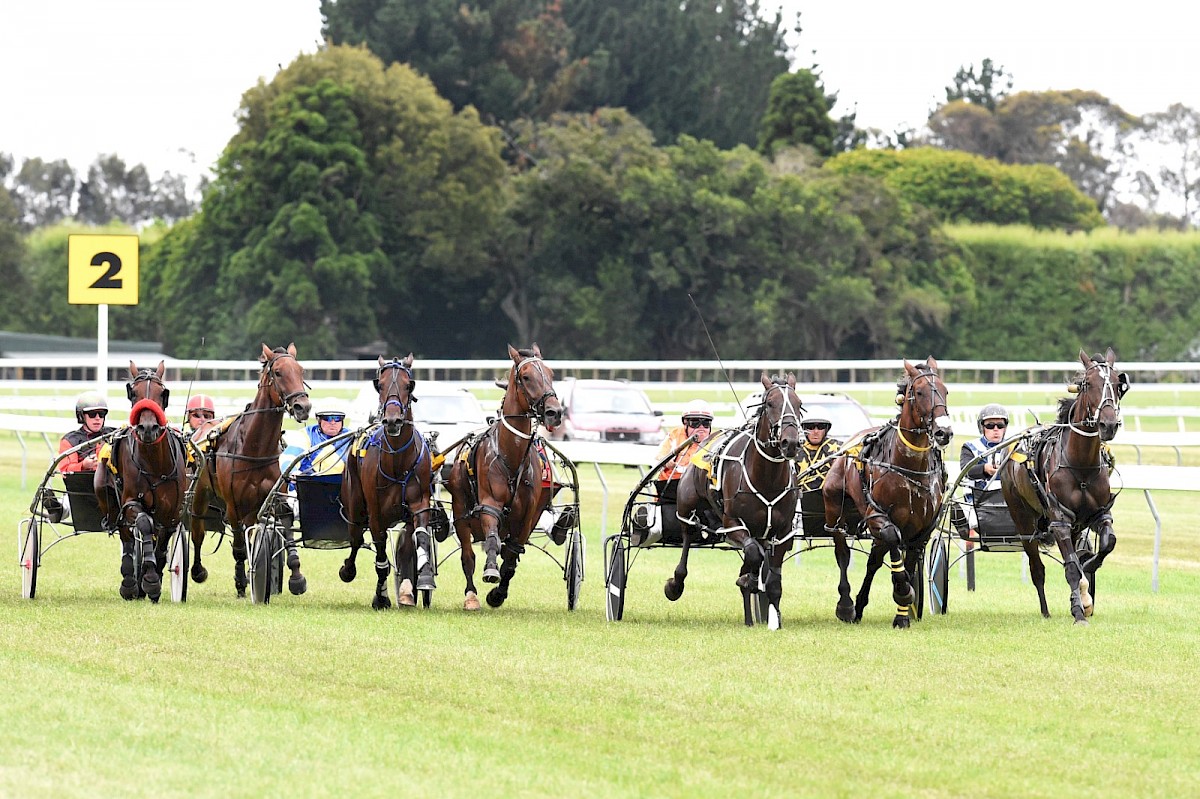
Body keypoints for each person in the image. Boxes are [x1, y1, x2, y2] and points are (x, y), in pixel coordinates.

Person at [959, 403, 1010, 548]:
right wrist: (985, 469)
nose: (996, 429)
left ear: (1005, 428)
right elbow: (966, 471)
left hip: (1010, 501)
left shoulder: (1014, 446)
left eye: (1000, 425)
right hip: (979, 502)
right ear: (982, 428)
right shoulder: (970, 447)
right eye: (990, 426)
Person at [656, 399, 715, 481]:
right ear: (685, 423)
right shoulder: (675, 435)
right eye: (695, 423)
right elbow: (659, 456)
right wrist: (666, 462)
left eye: (706, 423)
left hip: (700, 484)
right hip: (672, 483)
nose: (701, 427)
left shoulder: (715, 441)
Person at [58, 393, 116, 473]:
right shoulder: (70, 441)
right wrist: (83, 465)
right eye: (92, 414)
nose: (97, 418)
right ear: (82, 416)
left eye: (101, 414)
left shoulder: (114, 434)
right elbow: (66, 471)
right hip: (85, 480)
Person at [297, 400, 352, 475]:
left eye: (337, 418)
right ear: (319, 420)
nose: (333, 422)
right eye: (327, 418)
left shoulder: (352, 436)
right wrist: (294, 472)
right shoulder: (307, 433)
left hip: (343, 481)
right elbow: (289, 456)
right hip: (310, 480)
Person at [796, 416, 839, 491]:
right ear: (804, 430)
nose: (816, 431)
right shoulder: (795, 451)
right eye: (810, 427)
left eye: (820, 427)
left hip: (830, 495)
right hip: (800, 495)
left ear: (826, 430)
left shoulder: (839, 449)